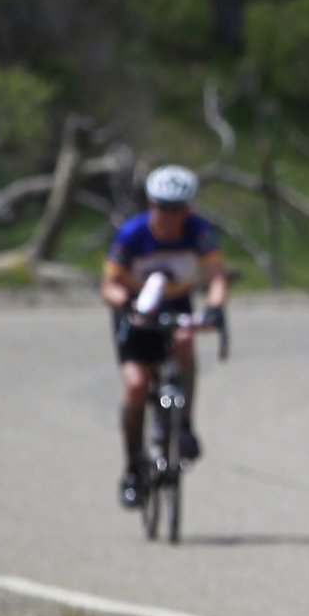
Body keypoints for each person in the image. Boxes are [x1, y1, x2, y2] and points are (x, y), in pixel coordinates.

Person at [101, 164, 231, 508]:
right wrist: (128, 302)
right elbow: (109, 287)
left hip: (176, 304)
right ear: (150, 205)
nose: (169, 216)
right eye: (161, 207)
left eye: (177, 209)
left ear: (188, 209)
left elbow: (216, 277)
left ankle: (184, 425)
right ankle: (131, 469)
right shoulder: (132, 234)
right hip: (136, 312)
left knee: (185, 340)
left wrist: (215, 308)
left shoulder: (199, 232)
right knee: (136, 385)